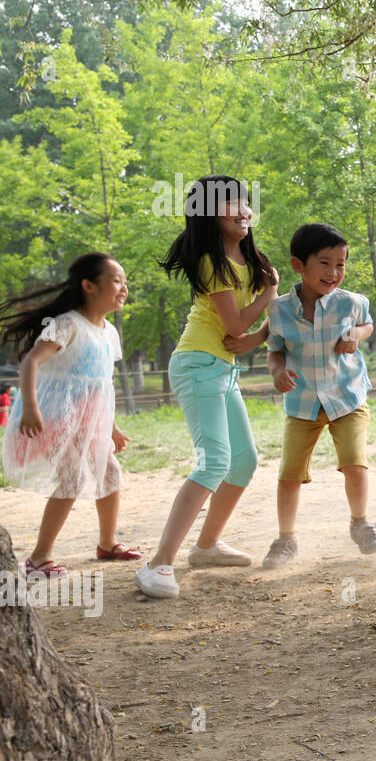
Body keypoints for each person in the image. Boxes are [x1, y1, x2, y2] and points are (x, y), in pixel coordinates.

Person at [136, 176, 278, 599]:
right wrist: (269, 295)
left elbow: (246, 333)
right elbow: (235, 325)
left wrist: (262, 331)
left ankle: (206, 546)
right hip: (198, 363)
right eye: (231, 203)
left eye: (245, 202)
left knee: (244, 462)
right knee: (214, 462)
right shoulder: (210, 261)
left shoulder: (250, 258)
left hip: (224, 367)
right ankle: (158, 563)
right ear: (208, 213)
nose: (243, 210)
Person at [0, 254, 139, 575]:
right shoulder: (66, 325)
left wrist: (112, 428)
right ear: (89, 286)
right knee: (73, 477)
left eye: (126, 281)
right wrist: (31, 409)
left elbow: (102, 385)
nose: (124, 288)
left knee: (109, 473)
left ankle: (107, 543)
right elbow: (30, 363)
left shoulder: (108, 333)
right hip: (53, 417)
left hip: (89, 420)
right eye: (117, 280)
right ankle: (38, 558)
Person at [261, 223, 376, 568]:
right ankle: (286, 539)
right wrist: (277, 372)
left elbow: (368, 324)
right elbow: (275, 351)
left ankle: (360, 523)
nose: (334, 272)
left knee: (354, 464)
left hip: (347, 398)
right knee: (289, 475)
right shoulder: (280, 310)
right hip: (302, 403)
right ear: (299, 265)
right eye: (325, 263)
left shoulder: (352, 303)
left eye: (341, 264)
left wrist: (357, 333)